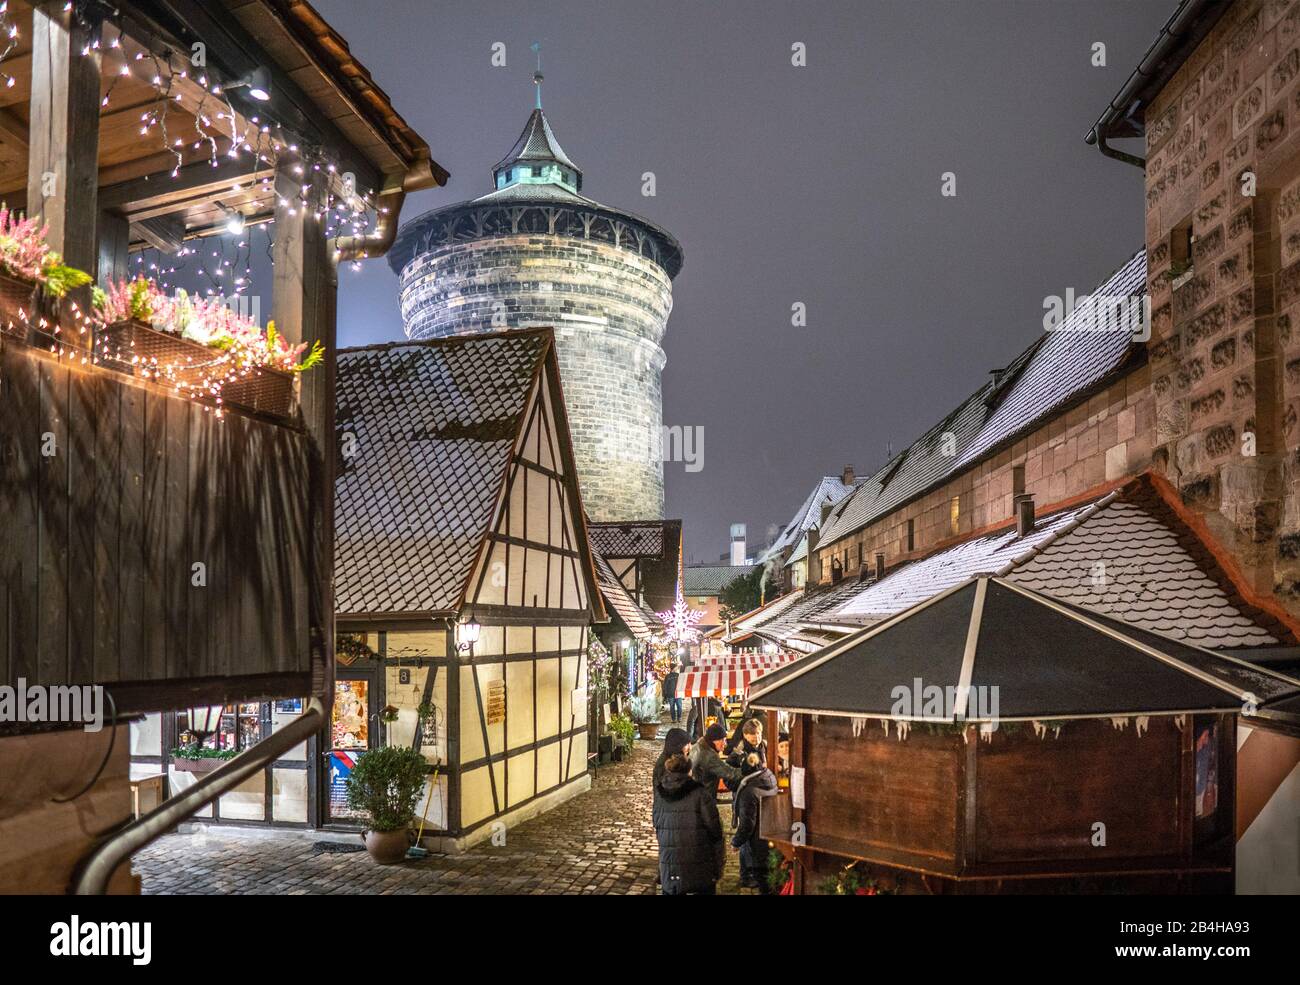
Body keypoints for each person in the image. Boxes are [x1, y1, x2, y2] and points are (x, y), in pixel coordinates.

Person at [653, 752, 724, 894]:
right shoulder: (699, 793)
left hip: (670, 860)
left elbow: (656, 822)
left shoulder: (660, 793)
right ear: (689, 771)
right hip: (698, 860)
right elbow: (714, 827)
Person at [731, 751, 778, 892]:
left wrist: (736, 842)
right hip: (772, 837)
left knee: (763, 882)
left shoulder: (749, 791)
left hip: (758, 844)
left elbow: (747, 824)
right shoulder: (768, 776)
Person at [690, 722, 742, 798]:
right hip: (703, 797)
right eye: (722, 740)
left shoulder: (698, 745)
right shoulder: (709, 756)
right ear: (714, 740)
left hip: (695, 791)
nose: (725, 744)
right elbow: (730, 773)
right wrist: (750, 770)